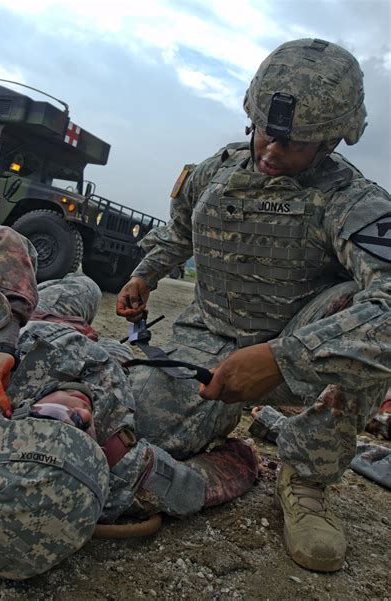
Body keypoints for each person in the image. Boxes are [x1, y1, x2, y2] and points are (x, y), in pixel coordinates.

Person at [116, 38, 391, 573]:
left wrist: (280, 357)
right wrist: (143, 275)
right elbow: (177, 234)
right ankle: (230, 440)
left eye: (292, 144)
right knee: (132, 427)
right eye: (265, 132)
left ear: (333, 141)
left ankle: (306, 479)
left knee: (360, 311)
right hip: (208, 344)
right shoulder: (214, 174)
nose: (270, 151)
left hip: (297, 352)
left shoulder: (353, 203)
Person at [0, 223, 258, 580]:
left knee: (87, 287)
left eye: (49, 415)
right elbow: (198, 486)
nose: (79, 411)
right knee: (209, 394)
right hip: (115, 363)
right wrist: (246, 457)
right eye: (85, 431)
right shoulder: (119, 470)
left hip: (37, 321)